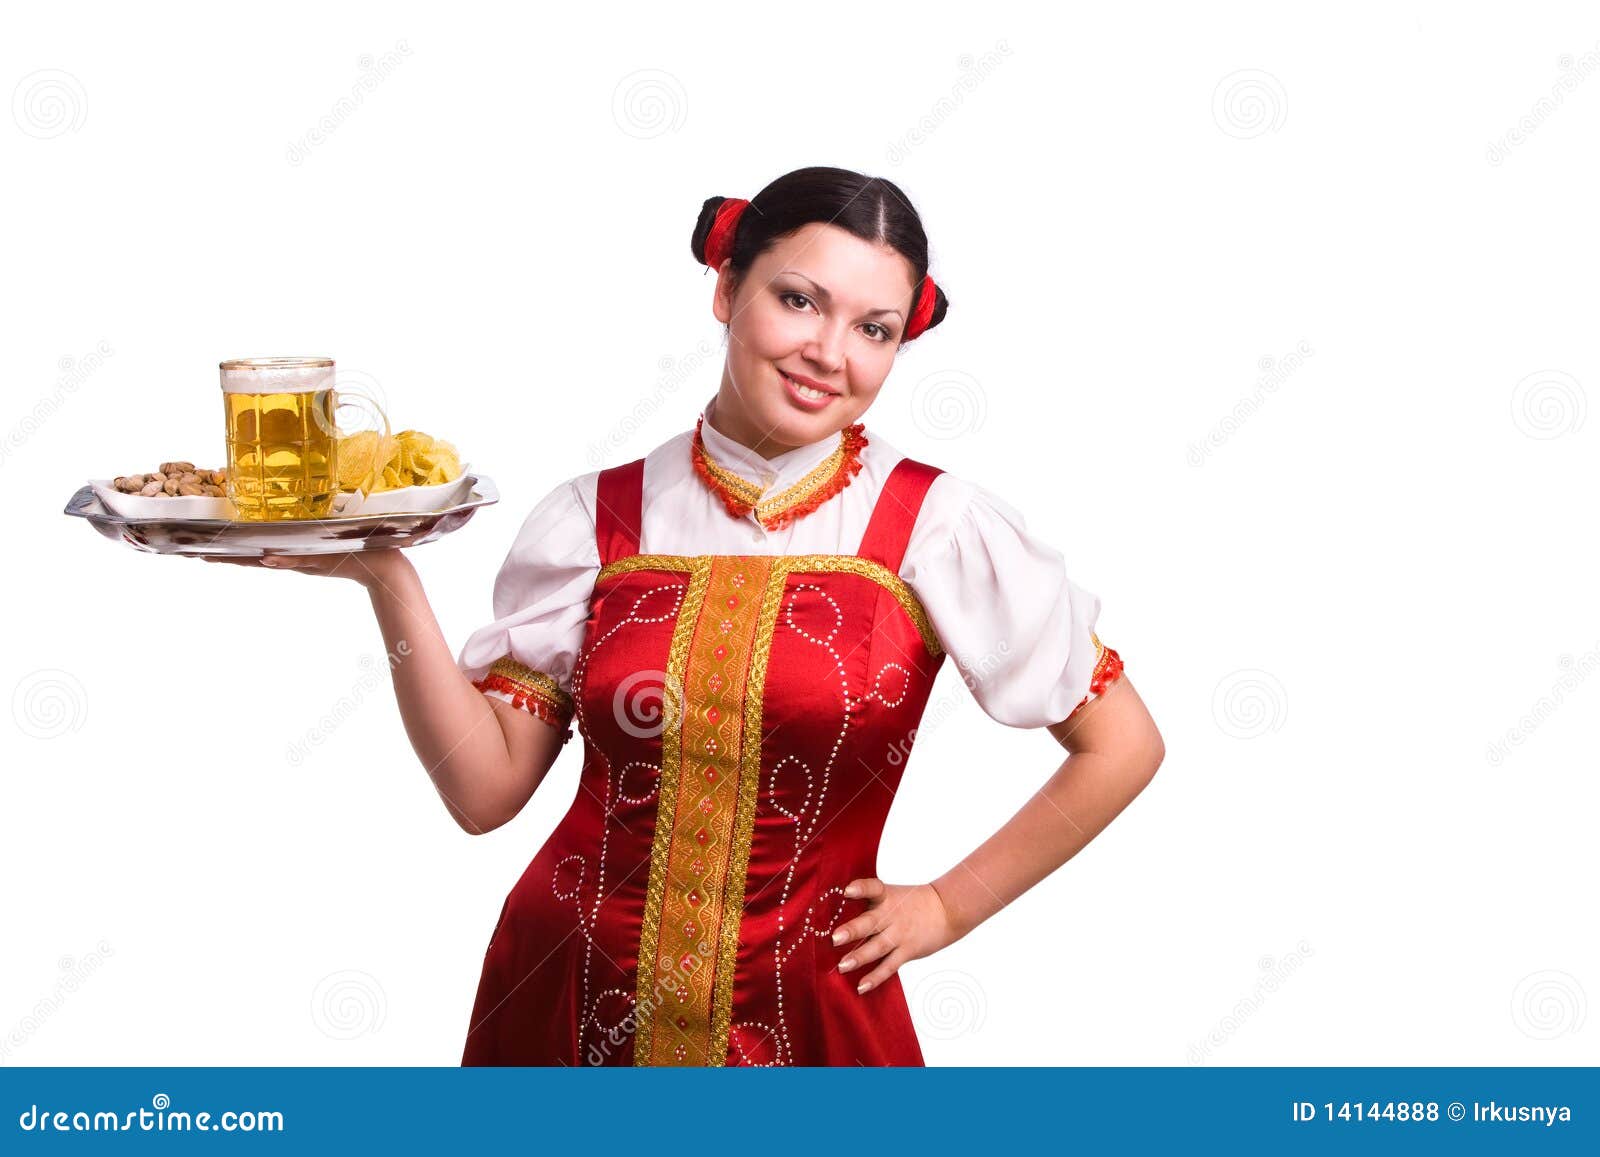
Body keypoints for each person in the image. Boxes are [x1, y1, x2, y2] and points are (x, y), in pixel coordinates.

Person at [203, 165, 1165, 1066]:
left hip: (812, 1018)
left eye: (875, 328)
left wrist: (948, 907)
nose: (830, 354)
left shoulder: (938, 527)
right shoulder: (595, 517)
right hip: (564, 998)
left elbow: (1121, 744)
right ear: (726, 291)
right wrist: (391, 584)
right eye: (799, 300)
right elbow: (484, 793)